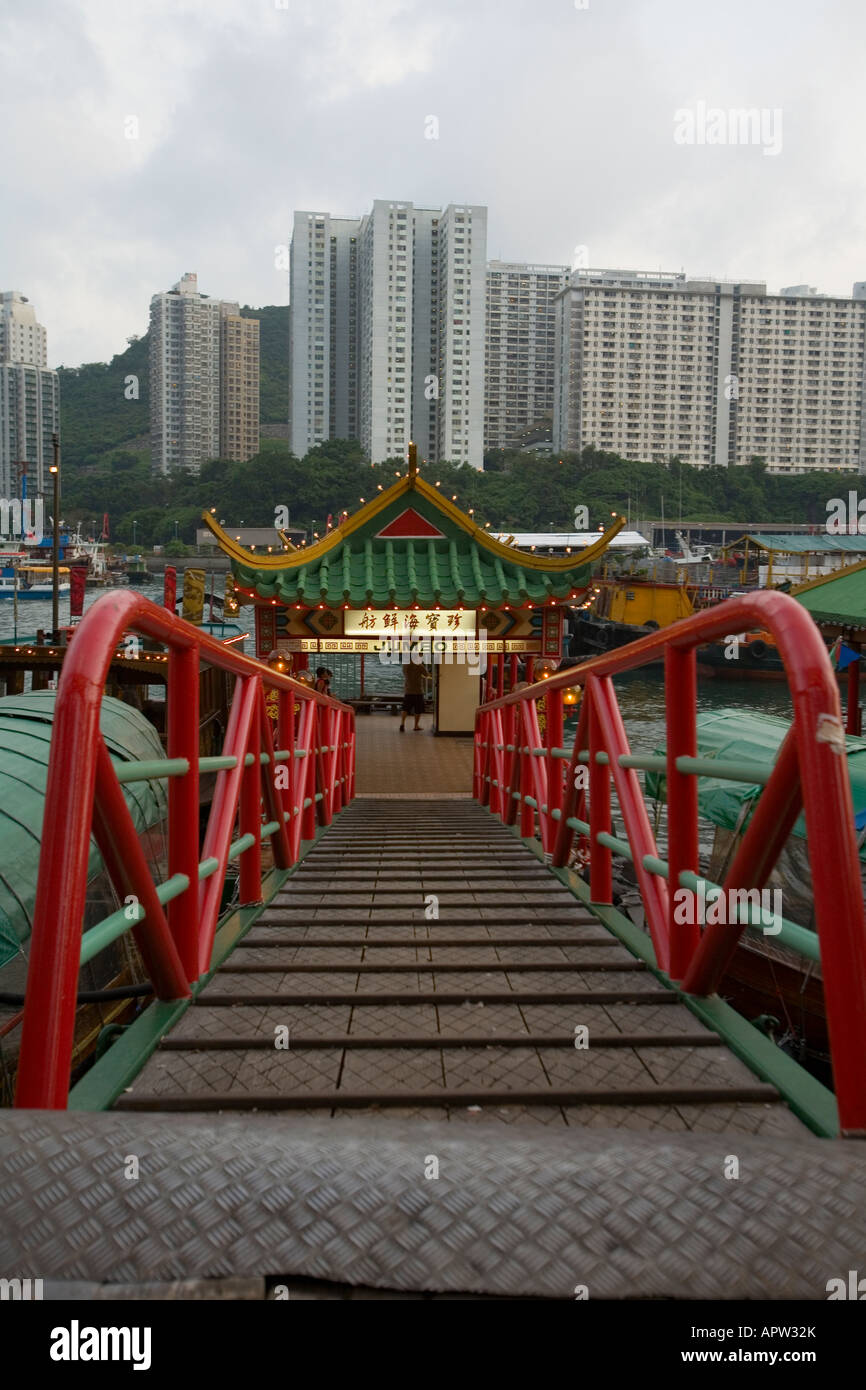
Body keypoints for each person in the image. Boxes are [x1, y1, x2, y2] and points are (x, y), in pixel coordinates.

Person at [400, 648, 428, 732]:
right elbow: (426, 674)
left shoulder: (405, 664)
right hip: (418, 691)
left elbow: (405, 674)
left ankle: (402, 723)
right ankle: (416, 726)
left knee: (405, 708)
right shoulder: (419, 665)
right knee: (418, 709)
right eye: (421, 655)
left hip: (408, 690)